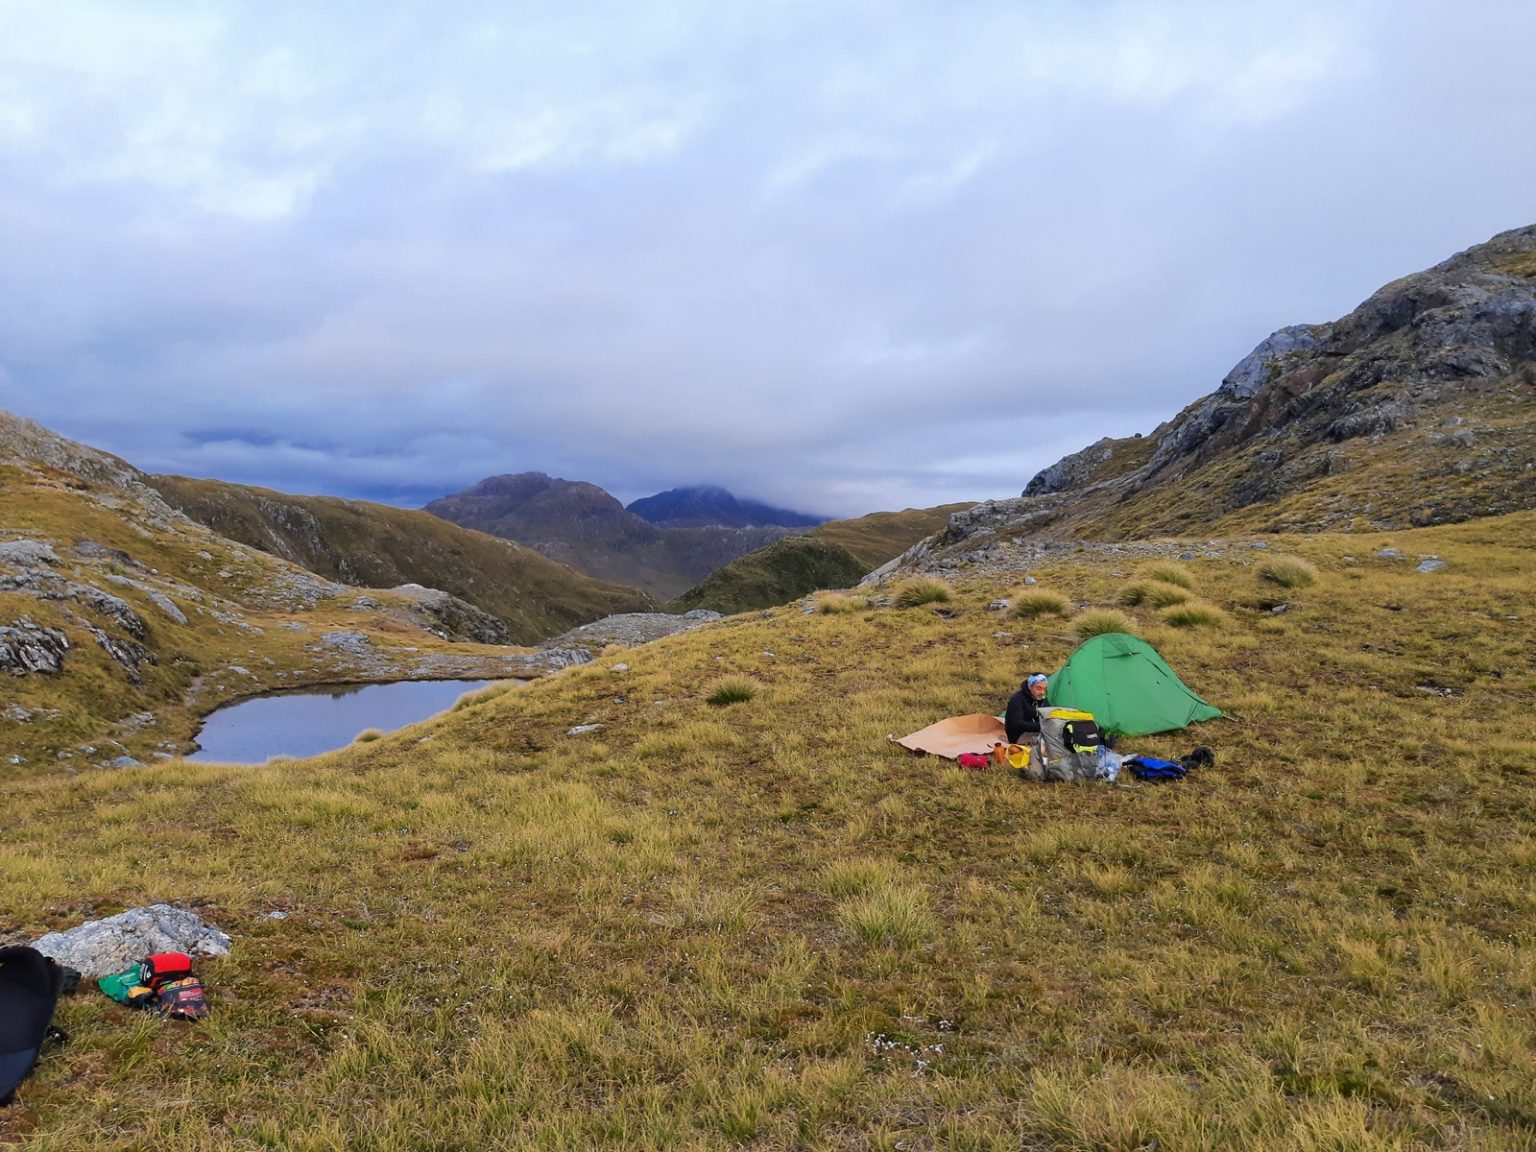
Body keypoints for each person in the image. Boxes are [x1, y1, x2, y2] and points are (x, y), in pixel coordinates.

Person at [1004, 673, 1051, 744]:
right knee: (1049, 744)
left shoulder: (1042, 699)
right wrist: (1041, 726)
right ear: (1030, 686)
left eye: (1044, 689)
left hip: (1037, 732)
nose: (1042, 692)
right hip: (1019, 736)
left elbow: (1050, 714)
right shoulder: (1017, 699)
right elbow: (1017, 723)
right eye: (1038, 688)